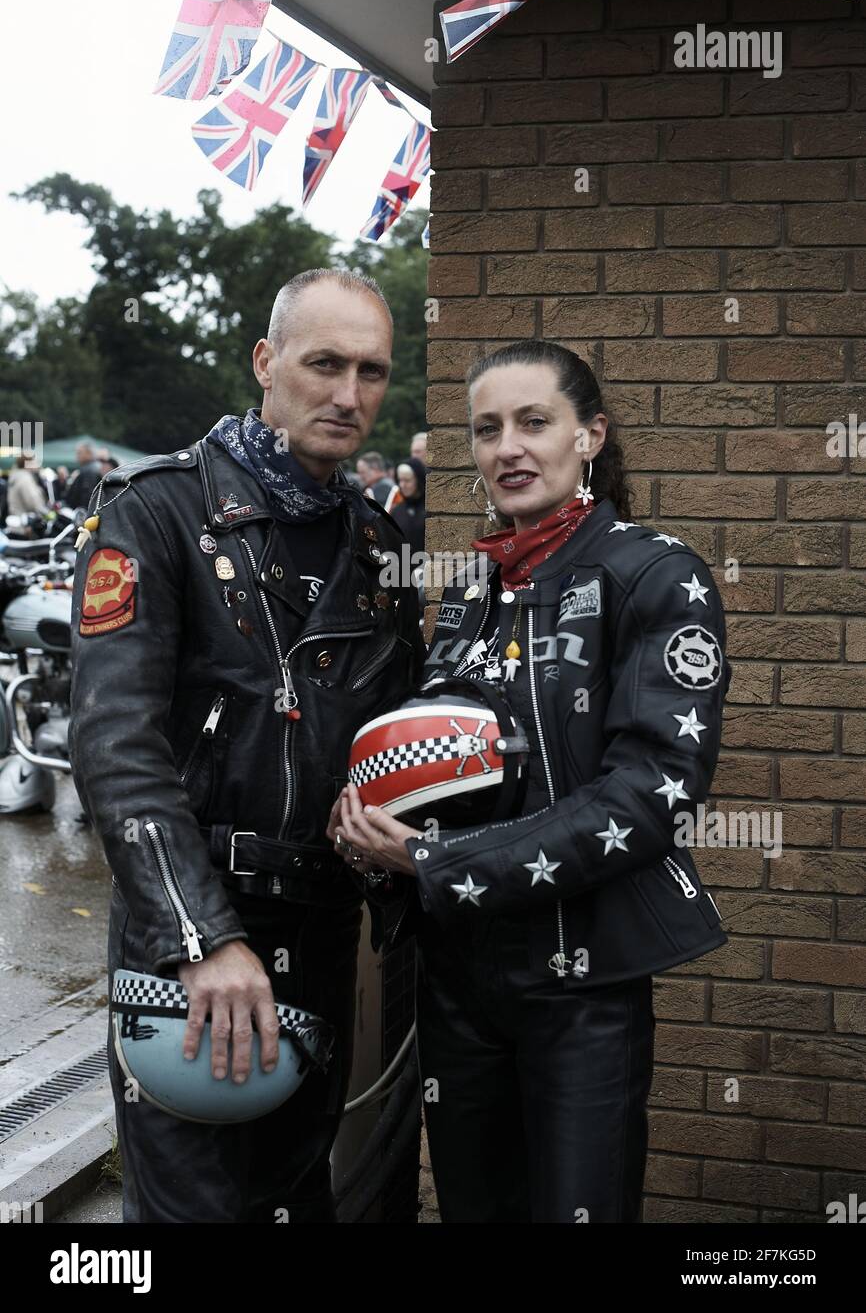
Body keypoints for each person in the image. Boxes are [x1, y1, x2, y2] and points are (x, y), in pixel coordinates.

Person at [329, 339, 731, 1223]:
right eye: (485, 429)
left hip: (582, 980)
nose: (507, 447)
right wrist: (368, 820)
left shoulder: (656, 573)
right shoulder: (474, 589)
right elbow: (438, 762)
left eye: (533, 422)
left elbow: (652, 792)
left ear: (589, 436)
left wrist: (440, 860)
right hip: (458, 976)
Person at [69, 268, 425, 1223]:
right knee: (193, 1211)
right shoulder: (153, 509)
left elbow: (395, 747)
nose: (349, 395)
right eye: (324, 364)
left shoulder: (381, 548)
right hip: (187, 933)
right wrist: (204, 938)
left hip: (320, 926)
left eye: (372, 371)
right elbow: (115, 744)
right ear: (266, 363)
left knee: (296, 1200)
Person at [392, 456, 427, 556]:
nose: (402, 485)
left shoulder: (430, 509)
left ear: (419, 480)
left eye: (407, 480)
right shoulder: (397, 511)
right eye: (400, 480)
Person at [64, 443, 103, 512]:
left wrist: (82, 514)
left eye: (79, 453)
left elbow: (87, 496)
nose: (77, 456)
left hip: (85, 515)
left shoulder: (90, 470)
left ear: (89, 454)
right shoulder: (93, 468)